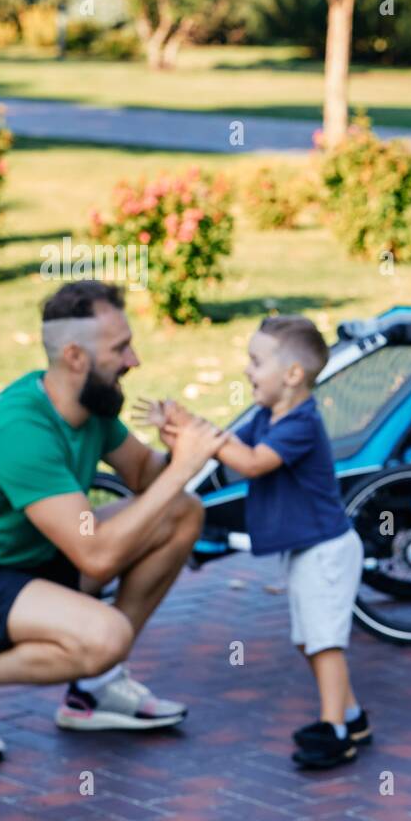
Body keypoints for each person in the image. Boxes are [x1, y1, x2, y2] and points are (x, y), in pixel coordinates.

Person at [0, 280, 228, 762]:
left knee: (182, 513)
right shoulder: (20, 429)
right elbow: (95, 555)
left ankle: (94, 685)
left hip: (29, 563)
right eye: (120, 348)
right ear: (75, 356)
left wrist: (177, 450)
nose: (134, 360)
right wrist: (182, 469)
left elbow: (144, 476)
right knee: (107, 635)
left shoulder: (90, 405)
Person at [143, 315, 367, 770]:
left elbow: (250, 463)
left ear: (292, 375)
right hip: (306, 549)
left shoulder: (300, 423)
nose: (247, 370)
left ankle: (335, 733)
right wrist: (182, 433)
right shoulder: (268, 415)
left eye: (256, 361)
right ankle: (352, 715)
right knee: (309, 642)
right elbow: (222, 450)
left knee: (324, 643)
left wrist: (197, 427)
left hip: (327, 550)